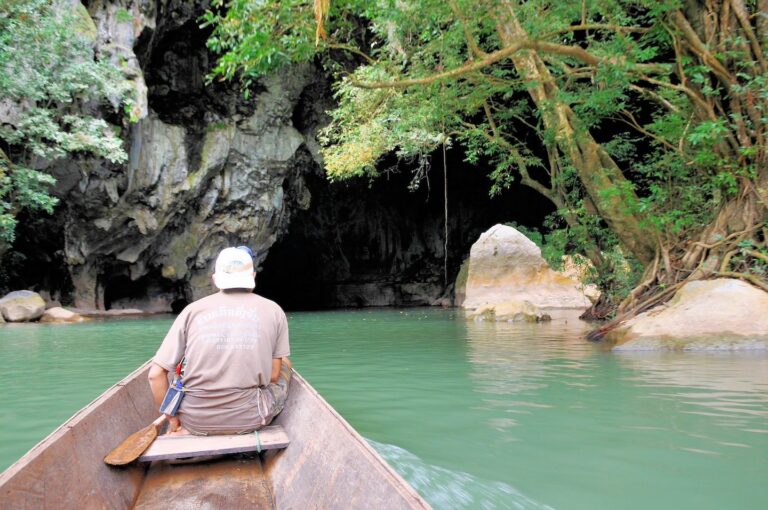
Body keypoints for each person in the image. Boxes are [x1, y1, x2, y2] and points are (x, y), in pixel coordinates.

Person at [148, 246, 292, 436]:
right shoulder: (274, 311)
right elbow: (273, 376)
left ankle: (180, 429)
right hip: (250, 418)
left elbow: (155, 375)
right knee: (285, 366)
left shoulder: (192, 311)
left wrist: (172, 417)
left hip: (194, 422)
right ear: (253, 277)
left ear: (216, 280)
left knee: (178, 375)